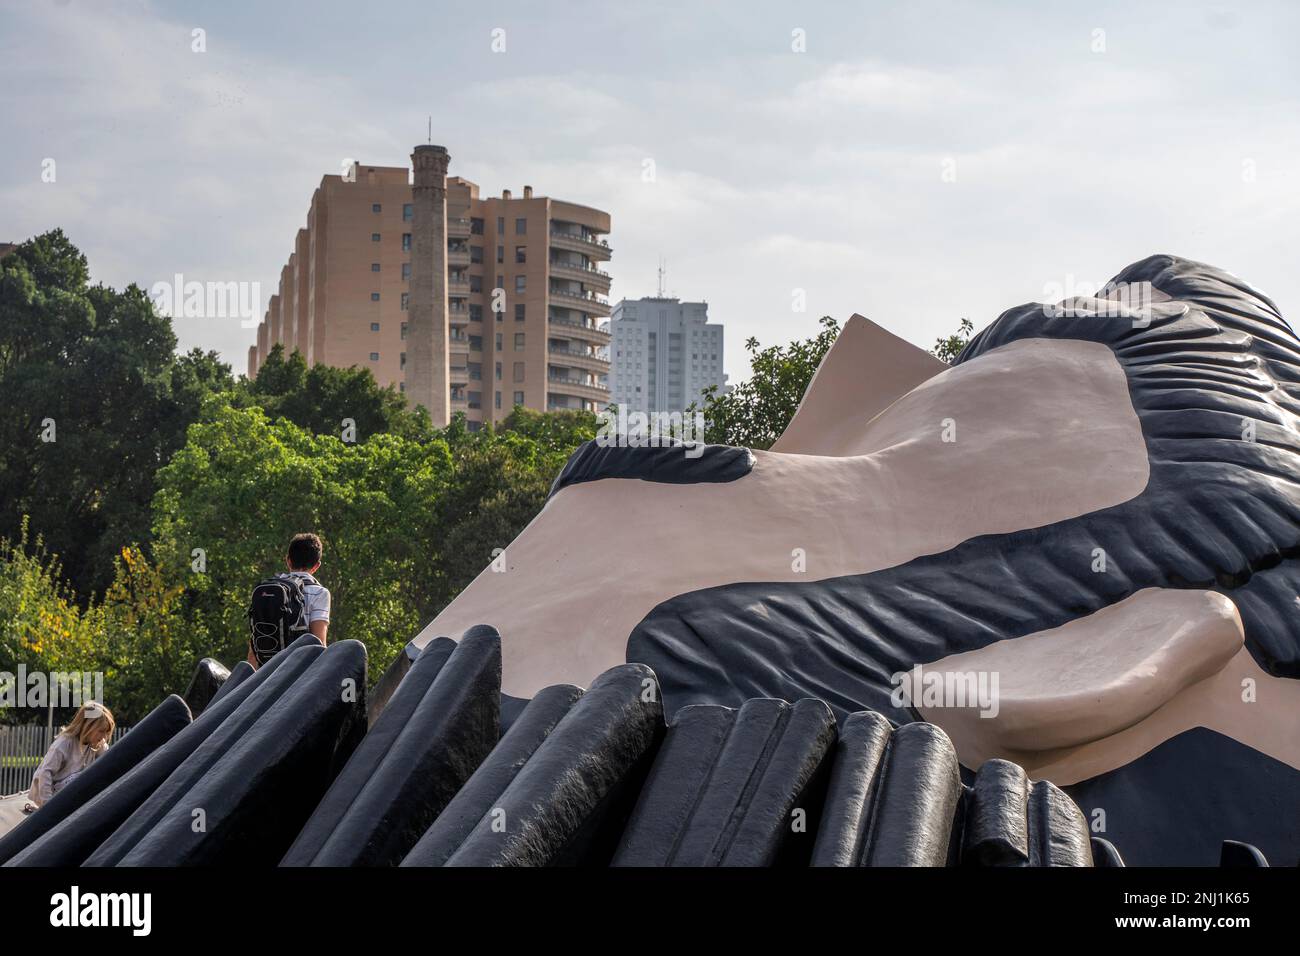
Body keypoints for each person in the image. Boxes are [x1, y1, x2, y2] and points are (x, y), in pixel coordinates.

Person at [247, 532, 330, 668]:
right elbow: (319, 643)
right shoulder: (320, 593)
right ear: (316, 566)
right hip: (298, 671)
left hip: (267, 671)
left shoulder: (268, 590)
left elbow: (254, 644)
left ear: (288, 560)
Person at [23, 701, 115, 813]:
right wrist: (48, 807)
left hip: (67, 789)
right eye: (101, 731)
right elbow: (45, 773)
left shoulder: (97, 744)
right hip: (49, 792)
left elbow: (109, 761)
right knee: (80, 777)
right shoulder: (64, 743)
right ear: (87, 726)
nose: (104, 736)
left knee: (94, 773)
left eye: (106, 732)